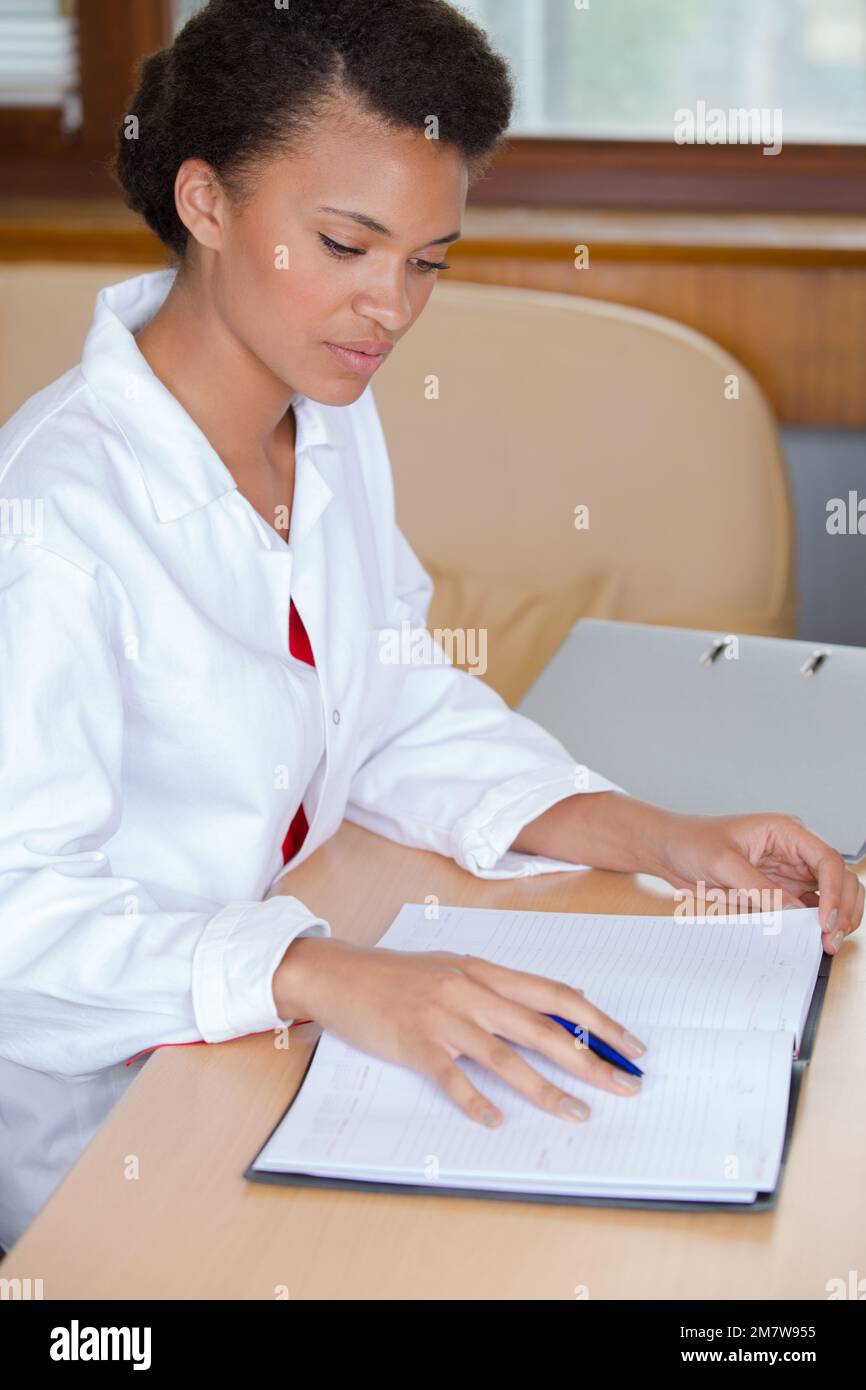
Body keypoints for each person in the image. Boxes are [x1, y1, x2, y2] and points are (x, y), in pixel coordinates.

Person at [0, 0, 860, 1253]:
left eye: (425, 260)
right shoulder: (52, 524)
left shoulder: (326, 418)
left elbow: (393, 700)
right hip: (118, 1119)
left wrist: (661, 836)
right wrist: (318, 971)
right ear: (205, 201)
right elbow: (18, 919)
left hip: (296, 1028)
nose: (390, 309)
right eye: (346, 244)